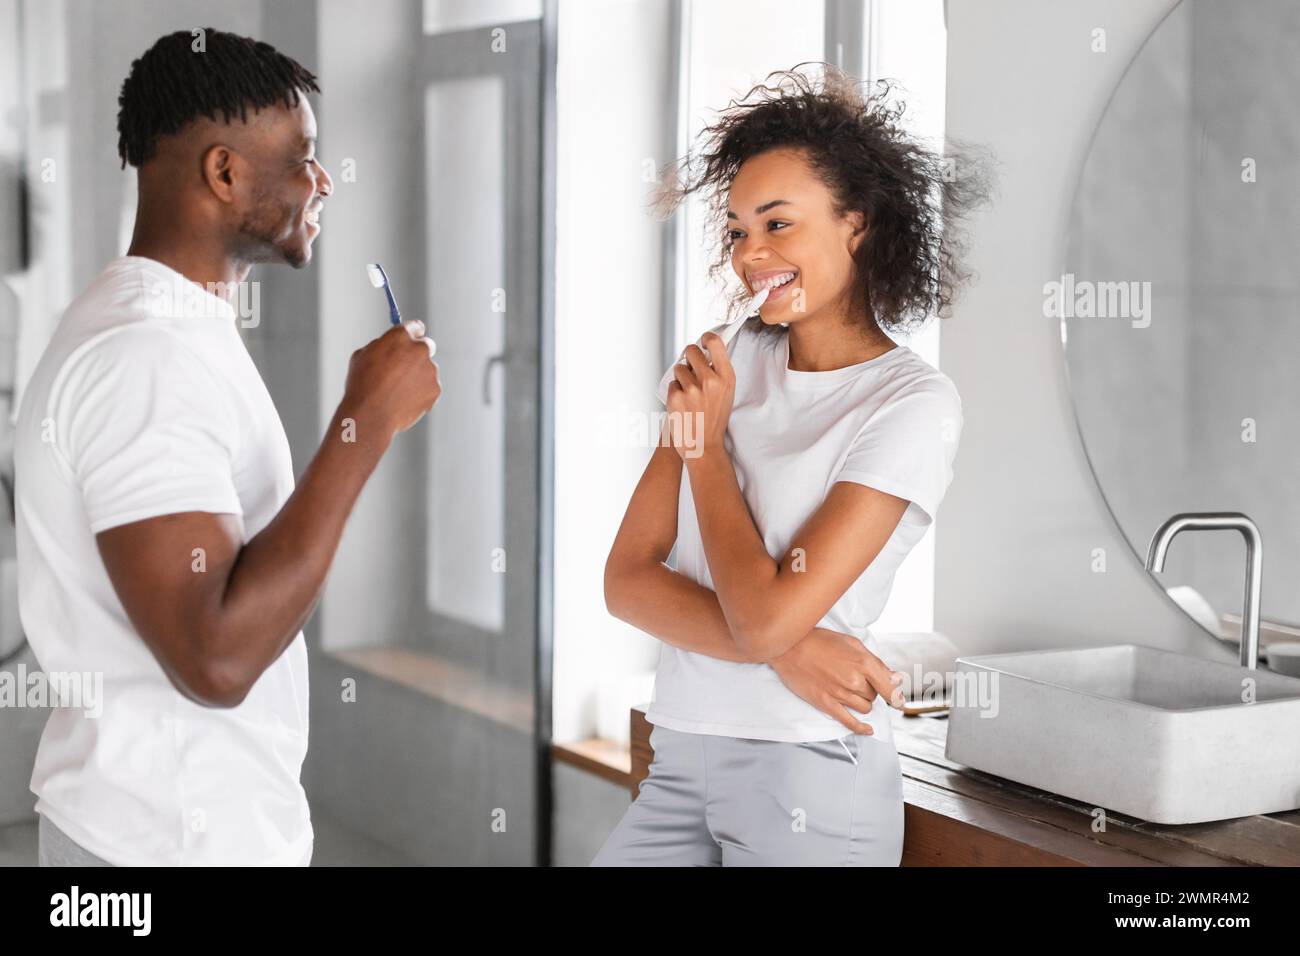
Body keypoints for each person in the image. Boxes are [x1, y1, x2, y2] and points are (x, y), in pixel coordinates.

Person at [14, 28, 441, 866]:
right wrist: (364, 423)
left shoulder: (170, 327)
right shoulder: (145, 354)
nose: (322, 182)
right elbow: (215, 659)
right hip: (159, 847)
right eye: (305, 157)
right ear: (223, 172)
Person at [595, 66, 985, 866]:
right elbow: (627, 580)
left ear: (857, 223)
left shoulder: (911, 405)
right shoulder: (731, 357)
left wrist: (703, 452)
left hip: (810, 772)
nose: (750, 255)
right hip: (681, 756)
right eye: (738, 231)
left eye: (777, 225)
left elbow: (766, 616)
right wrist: (793, 648)